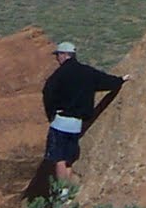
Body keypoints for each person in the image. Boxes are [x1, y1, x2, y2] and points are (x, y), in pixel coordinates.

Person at [42, 40, 128, 195]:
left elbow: (47, 92)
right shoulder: (87, 72)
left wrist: (51, 114)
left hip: (61, 122)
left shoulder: (60, 74)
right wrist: (121, 80)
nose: (57, 58)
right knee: (69, 160)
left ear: (64, 55)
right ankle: (69, 194)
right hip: (77, 125)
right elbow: (106, 81)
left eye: (58, 55)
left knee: (59, 159)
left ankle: (62, 193)